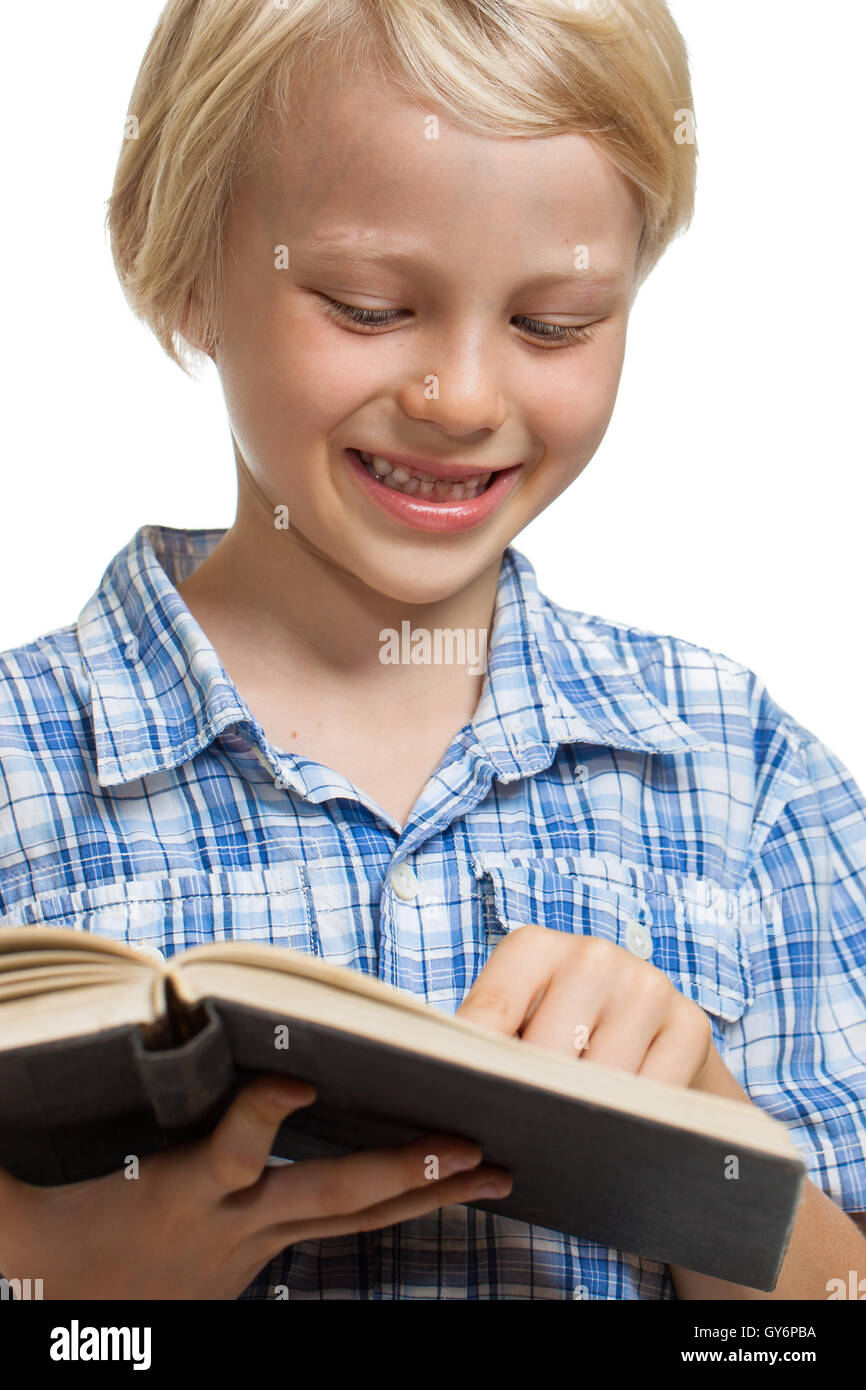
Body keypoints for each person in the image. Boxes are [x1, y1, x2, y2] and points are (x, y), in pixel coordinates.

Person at [0, 0, 864, 1300]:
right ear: (188, 269)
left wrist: (715, 1156)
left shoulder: (744, 781)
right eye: (367, 306)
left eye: (555, 323)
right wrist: (57, 1283)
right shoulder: (19, 763)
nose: (460, 398)